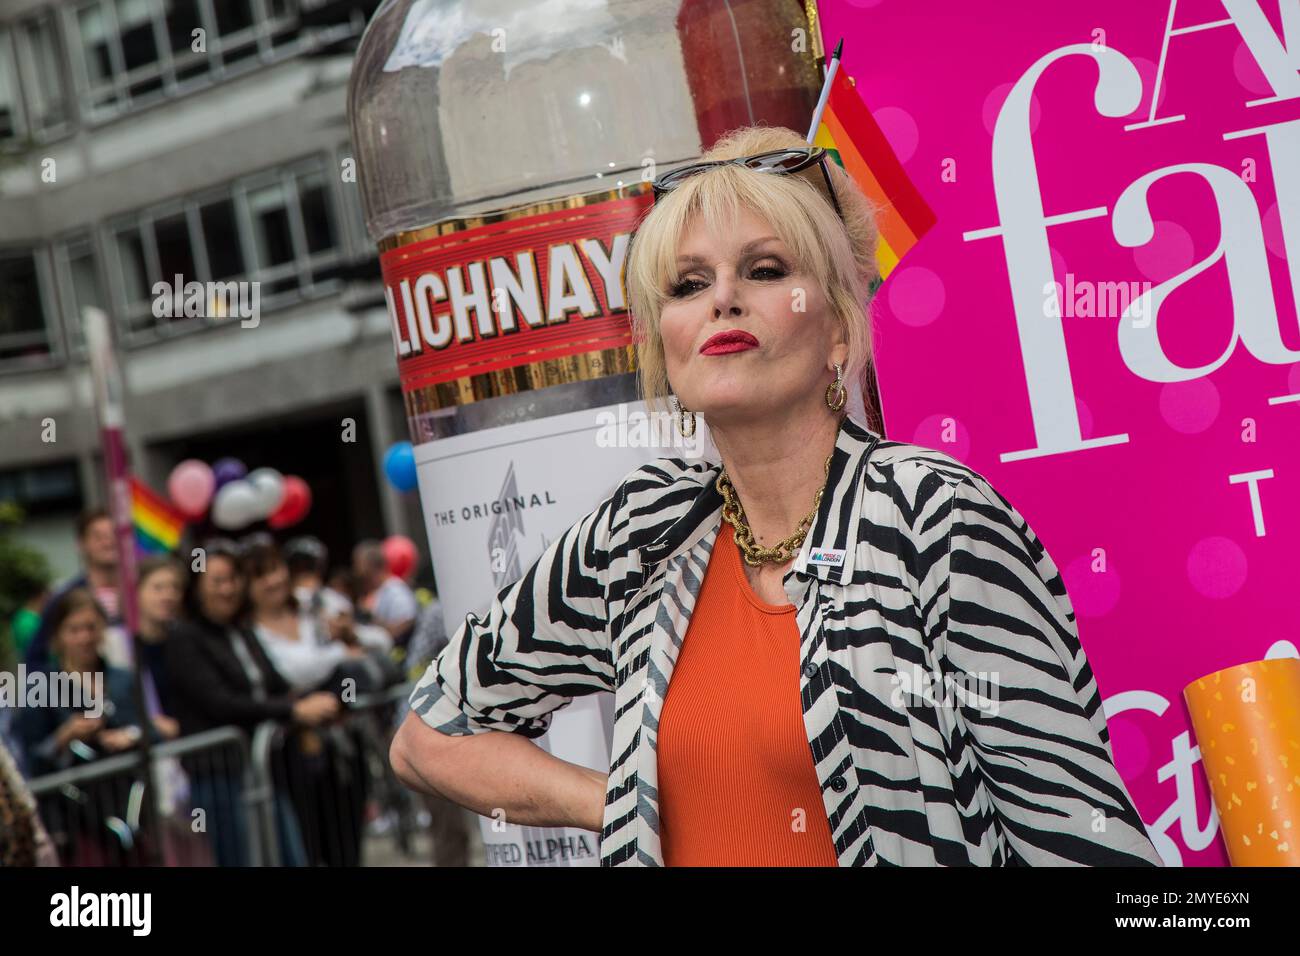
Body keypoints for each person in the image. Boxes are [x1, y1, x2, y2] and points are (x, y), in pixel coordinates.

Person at [390, 124, 1164, 867]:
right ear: (664, 342)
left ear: (836, 330)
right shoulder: (649, 530)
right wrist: (626, 803)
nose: (723, 299)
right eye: (688, 284)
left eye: (766, 271)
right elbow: (429, 733)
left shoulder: (931, 518)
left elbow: (1085, 841)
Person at [163, 539, 338, 866]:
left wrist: (305, 704)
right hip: (218, 776)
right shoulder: (185, 638)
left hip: (263, 770)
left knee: (290, 857)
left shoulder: (241, 630)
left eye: (232, 579)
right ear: (197, 587)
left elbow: (275, 682)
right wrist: (293, 711)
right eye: (217, 581)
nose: (227, 589)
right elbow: (220, 702)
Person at [24, 509, 121, 669]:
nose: (109, 542)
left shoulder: (140, 591)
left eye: (113, 535)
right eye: (99, 537)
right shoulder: (65, 598)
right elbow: (35, 658)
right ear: (81, 544)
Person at [352, 541, 418, 646]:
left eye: (359, 566)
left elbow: (407, 622)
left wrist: (371, 620)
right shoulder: (378, 591)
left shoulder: (396, 590)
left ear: (370, 567)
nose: (357, 573)